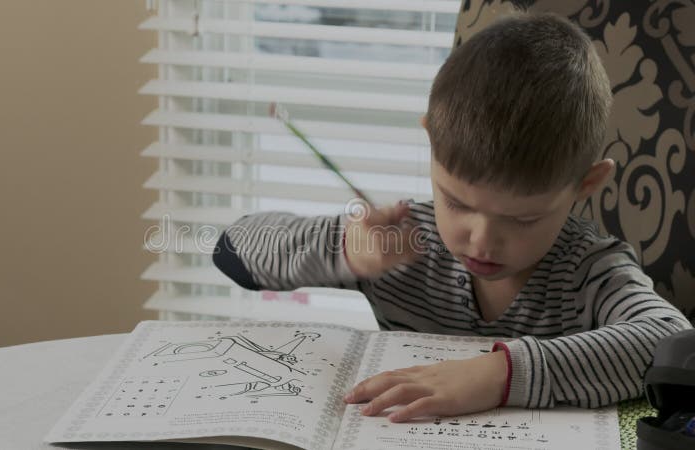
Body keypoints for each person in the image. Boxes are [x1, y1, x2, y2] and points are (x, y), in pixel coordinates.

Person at [211, 12, 692, 422]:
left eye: (522, 220)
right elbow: (232, 249)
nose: (480, 242)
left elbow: (669, 342)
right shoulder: (404, 243)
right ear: (430, 140)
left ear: (586, 184)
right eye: (458, 204)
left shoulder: (590, 271)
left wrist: (500, 374)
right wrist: (344, 253)